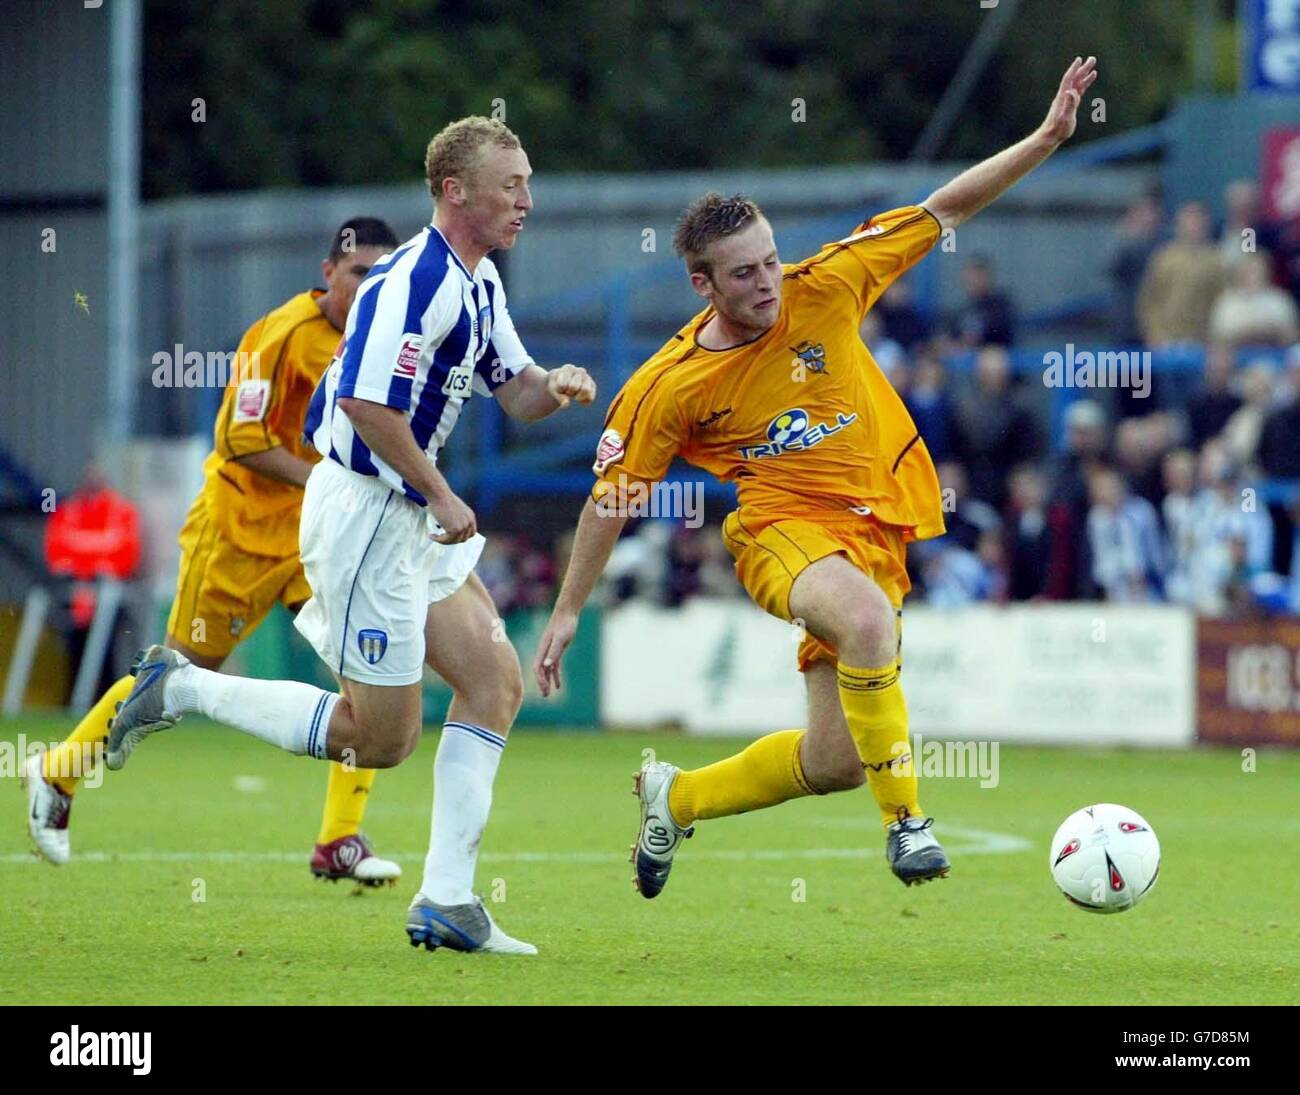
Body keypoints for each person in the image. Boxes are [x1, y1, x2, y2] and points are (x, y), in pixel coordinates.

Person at [534, 58, 1100, 899]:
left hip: (874, 526)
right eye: (742, 273)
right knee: (868, 623)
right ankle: (907, 822)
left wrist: (1047, 137)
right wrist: (570, 604)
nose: (766, 282)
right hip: (779, 531)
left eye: (768, 261)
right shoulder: (668, 385)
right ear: (701, 283)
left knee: (833, 760)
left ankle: (676, 796)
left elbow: (944, 209)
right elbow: (612, 497)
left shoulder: (827, 284)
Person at [105, 117, 596, 956]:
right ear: (455, 192)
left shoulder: (478, 282)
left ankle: (449, 901)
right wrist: (440, 493)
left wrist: (556, 383)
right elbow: (369, 409)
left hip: (404, 509)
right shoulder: (411, 281)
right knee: (384, 739)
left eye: (527, 181)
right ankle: (180, 688)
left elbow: (514, 389)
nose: (527, 199)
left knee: (494, 682)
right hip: (368, 508)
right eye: (510, 184)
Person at [26, 218, 403, 885]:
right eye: (357, 274)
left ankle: (339, 839)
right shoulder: (282, 334)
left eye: (381, 275)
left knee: (370, 678)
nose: (368, 286)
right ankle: (57, 772)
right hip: (236, 534)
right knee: (170, 676)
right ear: (327, 272)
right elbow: (239, 437)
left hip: (316, 541)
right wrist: (328, 479)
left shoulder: (384, 341)